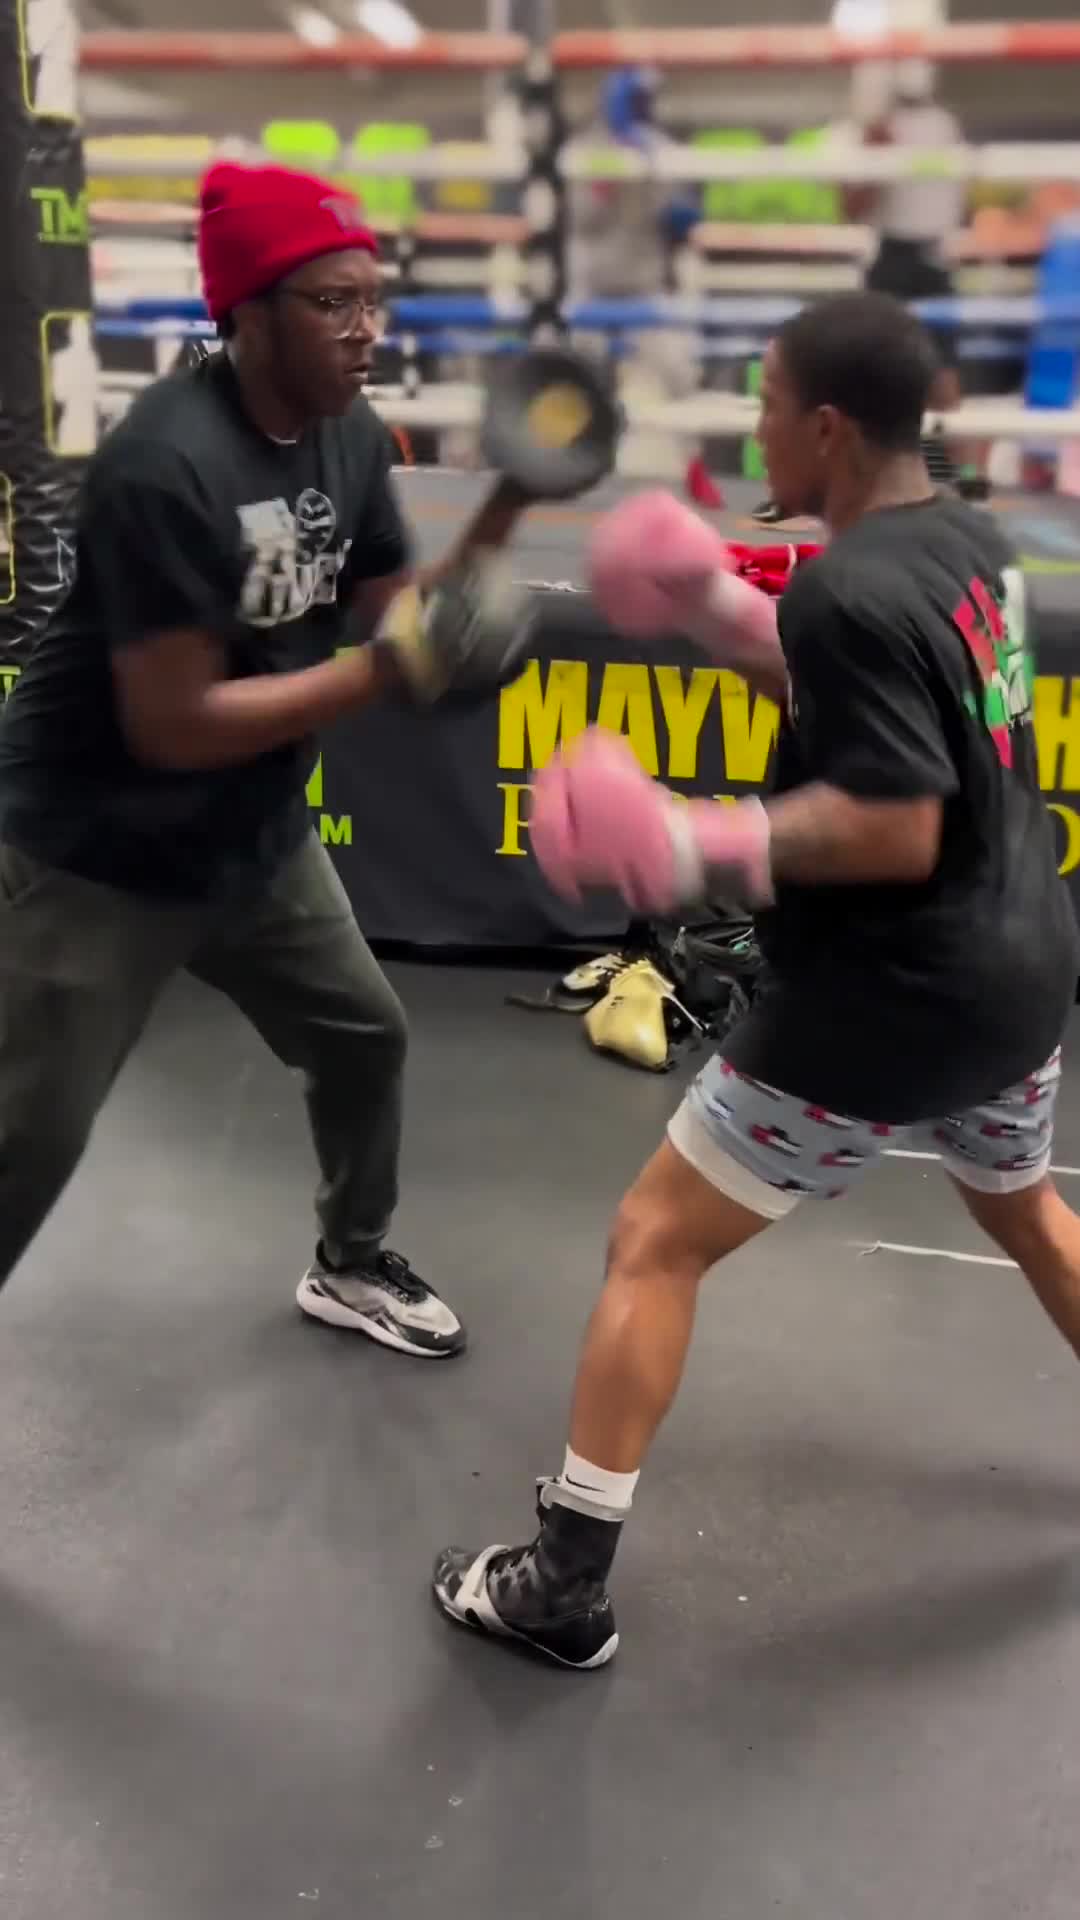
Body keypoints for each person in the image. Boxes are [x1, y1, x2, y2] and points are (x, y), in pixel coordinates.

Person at [433, 291, 1080, 1668]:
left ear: (828, 427)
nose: (755, 431)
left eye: (769, 405)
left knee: (653, 1243)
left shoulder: (850, 587)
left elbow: (895, 822)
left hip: (891, 1004)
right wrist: (715, 609)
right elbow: (887, 702)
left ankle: (562, 1587)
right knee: (1027, 1212)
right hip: (1022, 972)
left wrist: (684, 838)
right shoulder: (969, 536)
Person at [0, 160, 533, 1359]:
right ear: (246, 311)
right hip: (95, 855)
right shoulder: (164, 461)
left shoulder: (352, 436)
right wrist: (389, 669)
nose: (365, 330)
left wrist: (507, 509)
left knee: (364, 1037)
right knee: (24, 1142)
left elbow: (399, 621)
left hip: (253, 834)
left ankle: (349, 1262)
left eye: (373, 300)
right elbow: (174, 724)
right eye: (333, 302)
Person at [753, 60, 976, 525]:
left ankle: (954, 489)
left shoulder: (943, 126)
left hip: (932, 258)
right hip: (894, 257)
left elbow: (950, 201)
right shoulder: (881, 130)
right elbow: (853, 206)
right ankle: (862, 490)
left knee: (941, 387)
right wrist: (876, 153)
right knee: (877, 386)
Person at [565, 68, 719, 509]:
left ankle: (695, 469)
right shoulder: (583, 153)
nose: (641, 108)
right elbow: (581, 217)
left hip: (643, 288)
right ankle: (568, 473)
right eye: (635, 100)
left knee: (680, 375)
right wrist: (615, 174)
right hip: (592, 289)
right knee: (576, 382)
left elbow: (682, 220)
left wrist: (679, 209)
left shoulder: (661, 150)